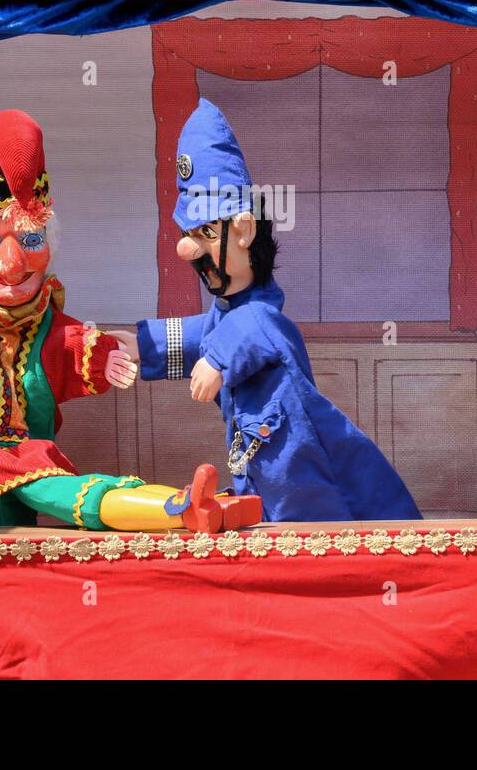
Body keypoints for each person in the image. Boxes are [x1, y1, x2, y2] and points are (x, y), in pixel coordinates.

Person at [0, 108, 259, 531]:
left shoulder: (46, 323)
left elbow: (71, 344)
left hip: (27, 455)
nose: (10, 263)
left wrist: (107, 354)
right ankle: (181, 506)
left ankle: (181, 508)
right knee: (66, 494)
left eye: (30, 240)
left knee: (66, 492)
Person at [113, 99, 421, 523]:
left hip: (295, 464)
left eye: (204, 233)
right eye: (187, 234)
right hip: (258, 462)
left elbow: (255, 327)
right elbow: (206, 330)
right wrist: (144, 345)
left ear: (243, 230)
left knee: (316, 510)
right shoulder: (228, 313)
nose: (188, 249)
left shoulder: (260, 316)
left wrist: (218, 360)